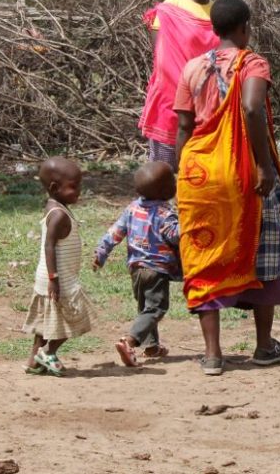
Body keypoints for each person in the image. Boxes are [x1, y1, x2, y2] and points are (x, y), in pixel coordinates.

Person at [174, 0, 280, 376]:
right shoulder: (253, 63)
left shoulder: (193, 68)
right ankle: (263, 346)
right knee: (264, 247)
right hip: (242, 171)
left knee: (204, 251)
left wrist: (183, 175)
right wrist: (263, 165)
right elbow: (251, 108)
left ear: (214, 28)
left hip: (200, 173)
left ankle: (212, 354)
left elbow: (182, 126)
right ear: (245, 26)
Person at [92, 161, 180, 367]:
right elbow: (175, 236)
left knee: (145, 308)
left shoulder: (131, 208)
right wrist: (190, 222)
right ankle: (129, 341)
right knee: (156, 309)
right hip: (157, 270)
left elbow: (115, 233)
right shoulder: (165, 214)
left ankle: (151, 347)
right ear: (166, 190)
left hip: (136, 269)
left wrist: (100, 253)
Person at [139, 0, 221, 171]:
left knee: (199, 164)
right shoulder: (172, 6)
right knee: (164, 167)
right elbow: (160, 50)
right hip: (170, 92)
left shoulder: (217, 12)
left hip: (205, 95)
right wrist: (175, 79)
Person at [23, 157, 93, 377]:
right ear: (54, 188)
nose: (79, 191)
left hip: (51, 277)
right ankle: (46, 352)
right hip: (58, 278)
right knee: (77, 318)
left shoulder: (53, 207)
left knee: (46, 322)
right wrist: (54, 278)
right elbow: (49, 246)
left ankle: (34, 361)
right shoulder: (60, 215)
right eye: (74, 186)